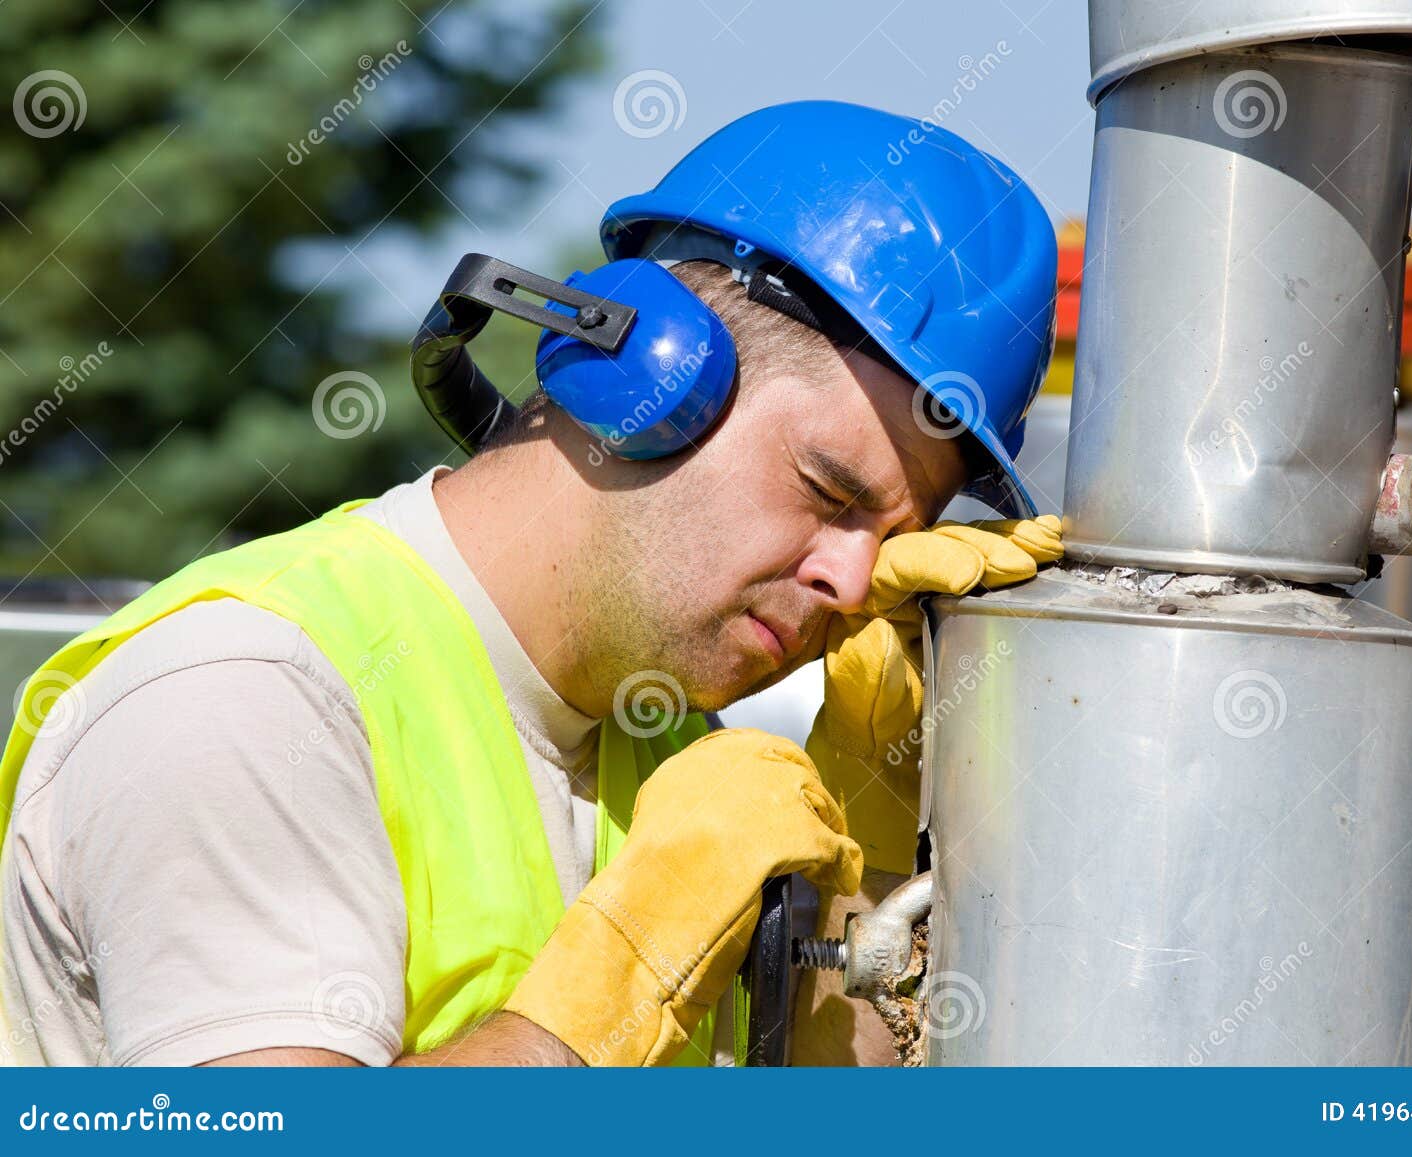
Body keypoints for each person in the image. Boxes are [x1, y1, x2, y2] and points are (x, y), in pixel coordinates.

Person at [0, 100, 1061, 1067]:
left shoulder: (673, 758)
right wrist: (617, 976)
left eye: (895, 534)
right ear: (644, 371)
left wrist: (871, 857)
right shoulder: (251, 694)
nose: (853, 578)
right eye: (828, 492)